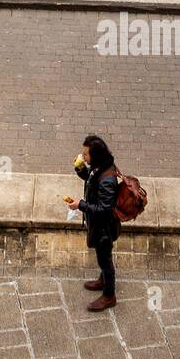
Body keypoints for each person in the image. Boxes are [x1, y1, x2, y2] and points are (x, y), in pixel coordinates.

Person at [63, 133, 119, 312]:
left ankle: (109, 295)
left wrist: (81, 205)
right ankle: (102, 280)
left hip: (104, 228)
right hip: (97, 225)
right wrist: (80, 169)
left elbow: (105, 209)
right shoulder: (99, 167)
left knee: (105, 261)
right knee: (102, 258)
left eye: (86, 154)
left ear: (96, 155)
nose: (83, 156)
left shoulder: (108, 180)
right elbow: (90, 180)